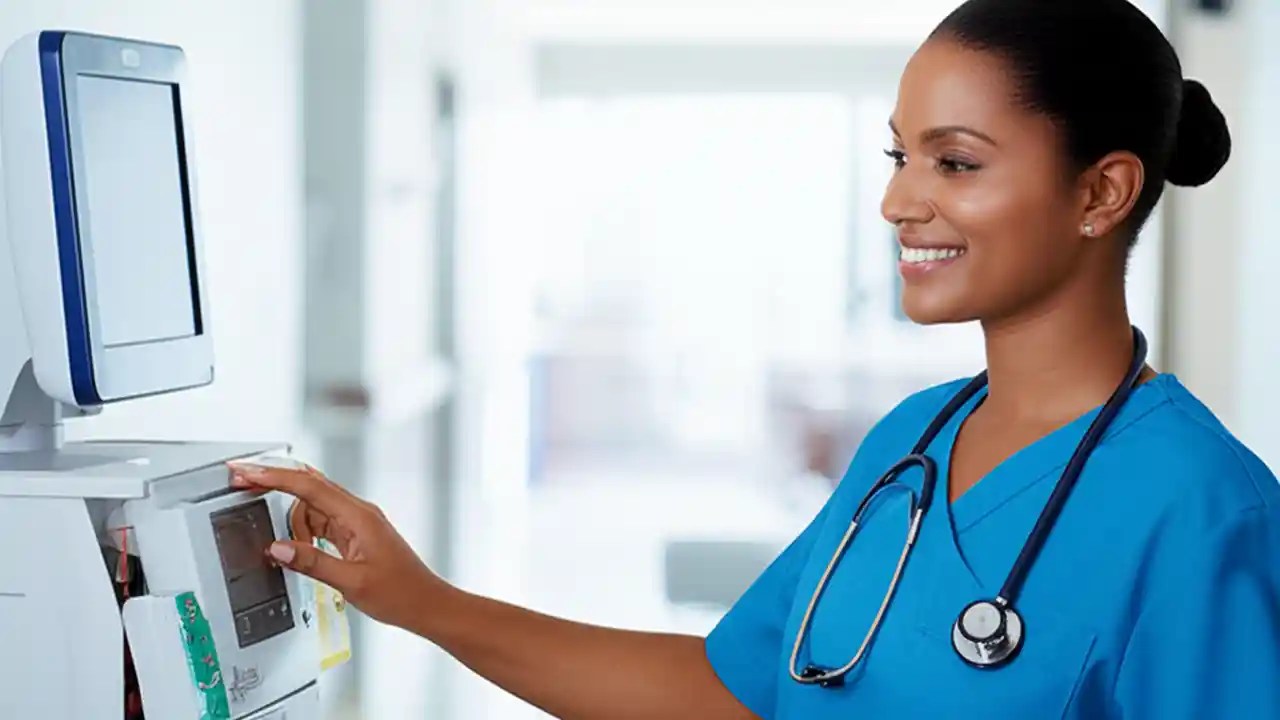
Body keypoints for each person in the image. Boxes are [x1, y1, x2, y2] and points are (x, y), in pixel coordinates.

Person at [229, 0, 1280, 717]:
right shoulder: (915, 440)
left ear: (1099, 192)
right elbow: (733, 693)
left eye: (955, 162)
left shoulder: (1201, 511)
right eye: (899, 155)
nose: (898, 200)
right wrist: (420, 601)